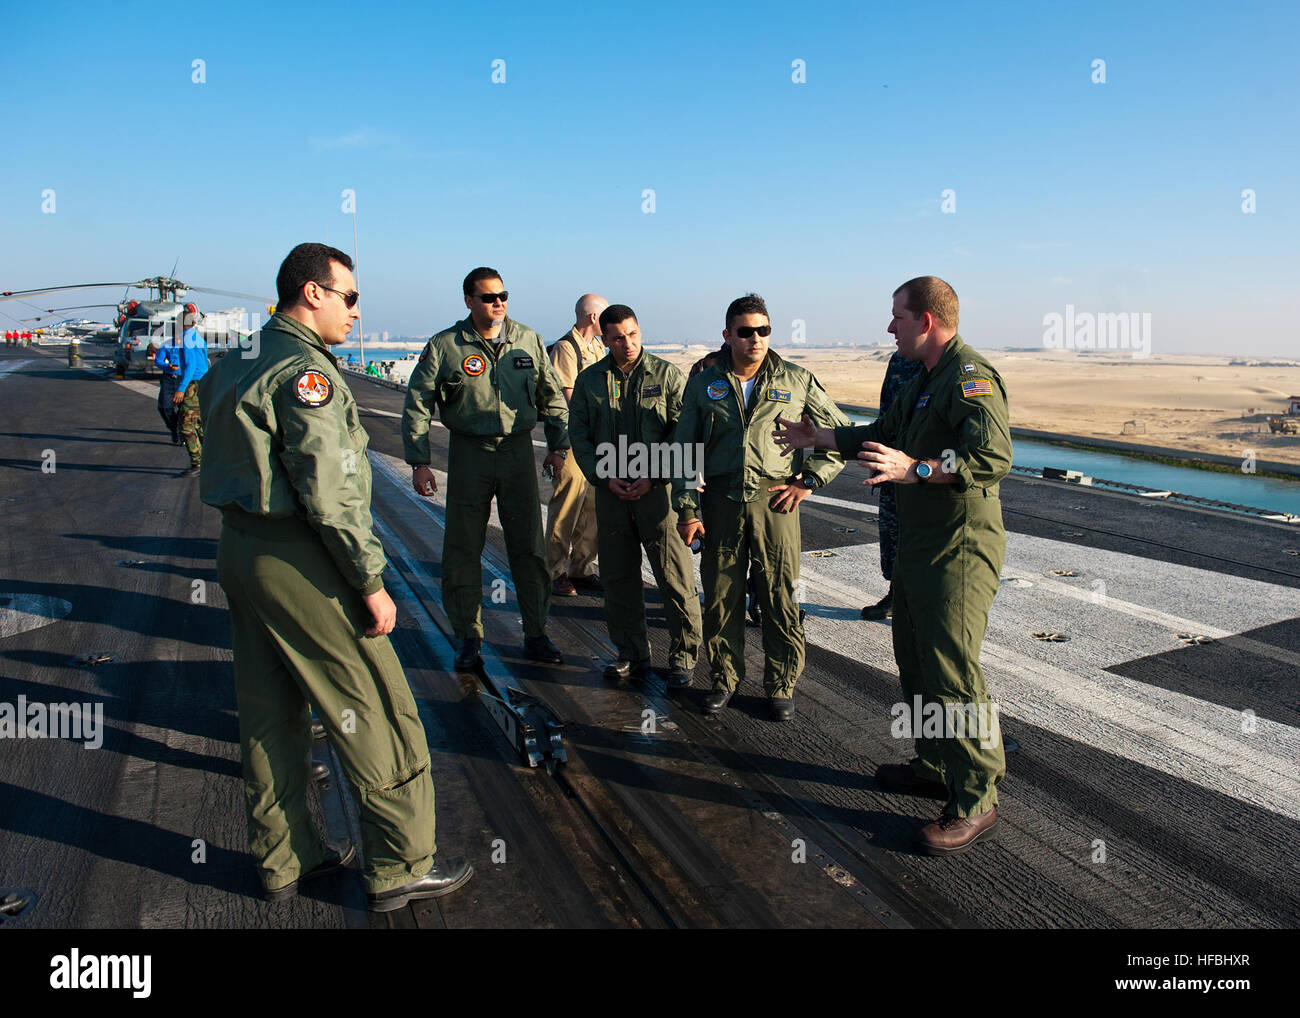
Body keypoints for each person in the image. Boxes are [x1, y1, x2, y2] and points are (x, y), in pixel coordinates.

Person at [198, 242, 472, 909]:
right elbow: (331, 492)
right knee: (374, 707)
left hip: (240, 546)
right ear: (312, 293)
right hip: (300, 558)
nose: (357, 309)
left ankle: (286, 858)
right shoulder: (304, 374)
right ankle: (400, 863)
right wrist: (370, 583)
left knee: (269, 714)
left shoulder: (238, 359)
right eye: (349, 296)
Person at [772, 275, 1011, 855]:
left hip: (958, 548)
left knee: (951, 669)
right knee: (914, 659)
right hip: (921, 545)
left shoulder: (969, 377)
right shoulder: (926, 378)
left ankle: (976, 797)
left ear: (925, 320)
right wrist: (819, 435)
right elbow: (884, 432)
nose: (889, 327)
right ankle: (934, 763)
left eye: (897, 317)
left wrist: (919, 470)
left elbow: (993, 456)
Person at [672, 293, 848, 721]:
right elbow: (681, 451)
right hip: (720, 501)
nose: (755, 339)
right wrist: (687, 509)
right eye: (746, 332)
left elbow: (841, 436)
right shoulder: (704, 384)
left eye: (763, 331)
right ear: (728, 335)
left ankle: (781, 683)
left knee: (779, 595)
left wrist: (808, 480)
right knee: (721, 596)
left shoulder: (796, 381)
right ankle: (723, 679)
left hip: (776, 504)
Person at [402, 267, 570, 670]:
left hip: (516, 454)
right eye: (489, 297)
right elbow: (417, 403)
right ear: (469, 301)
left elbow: (552, 396)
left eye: (503, 295)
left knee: (529, 548)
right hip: (468, 454)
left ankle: (536, 632)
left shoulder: (528, 339)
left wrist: (558, 446)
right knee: (462, 548)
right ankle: (467, 638)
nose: (499, 303)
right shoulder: (445, 346)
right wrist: (420, 462)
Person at [569, 304, 702, 686]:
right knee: (617, 577)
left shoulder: (667, 376)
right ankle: (630, 652)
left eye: (632, 335)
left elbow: (684, 433)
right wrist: (601, 475)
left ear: (640, 331)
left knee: (673, 576)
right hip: (611, 491)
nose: (627, 344)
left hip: (655, 494)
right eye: (617, 338)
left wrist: (656, 476)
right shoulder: (590, 381)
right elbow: (579, 433)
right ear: (604, 338)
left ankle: (684, 657)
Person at [545, 293, 608, 598]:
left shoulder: (597, 347)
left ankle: (582, 568)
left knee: (593, 508)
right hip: (574, 441)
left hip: (597, 441)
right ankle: (554, 571)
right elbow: (568, 395)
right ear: (593, 318)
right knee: (567, 506)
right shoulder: (565, 348)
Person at [862, 351, 922, 620]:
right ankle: (895, 593)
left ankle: (916, 602)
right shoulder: (899, 360)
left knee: (918, 537)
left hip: (921, 469)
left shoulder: (940, 363)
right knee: (890, 531)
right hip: (891, 466)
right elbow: (886, 408)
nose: (893, 328)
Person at [174, 311, 208, 478]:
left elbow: (190, 365)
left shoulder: (186, 339)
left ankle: (197, 462)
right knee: (200, 424)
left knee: (187, 425)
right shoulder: (198, 337)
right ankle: (209, 460)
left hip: (193, 385)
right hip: (203, 383)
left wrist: (181, 388)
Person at [155, 332, 183, 444]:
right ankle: (174, 428)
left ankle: (182, 434)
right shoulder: (166, 345)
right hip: (169, 378)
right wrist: (167, 366)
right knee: (164, 407)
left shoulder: (189, 345)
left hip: (183, 379)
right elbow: (158, 360)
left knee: (184, 409)